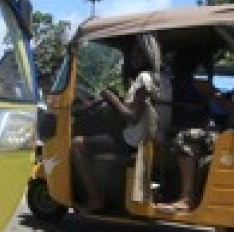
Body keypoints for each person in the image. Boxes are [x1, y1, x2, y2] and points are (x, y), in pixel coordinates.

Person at [70, 34, 169, 211]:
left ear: (148, 55)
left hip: (131, 141)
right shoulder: (163, 78)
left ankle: (94, 198)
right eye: (132, 53)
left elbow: (132, 117)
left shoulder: (144, 79)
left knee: (77, 144)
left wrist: (111, 98)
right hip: (148, 138)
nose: (133, 56)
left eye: (139, 53)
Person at [158, 48, 234, 212]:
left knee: (185, 138)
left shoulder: (169, 84)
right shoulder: (198, 85)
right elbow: (225, 109)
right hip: (214, 130)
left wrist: (214, 95)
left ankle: (187, 198)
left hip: (227, 134)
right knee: (189, 137)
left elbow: (230, 108)